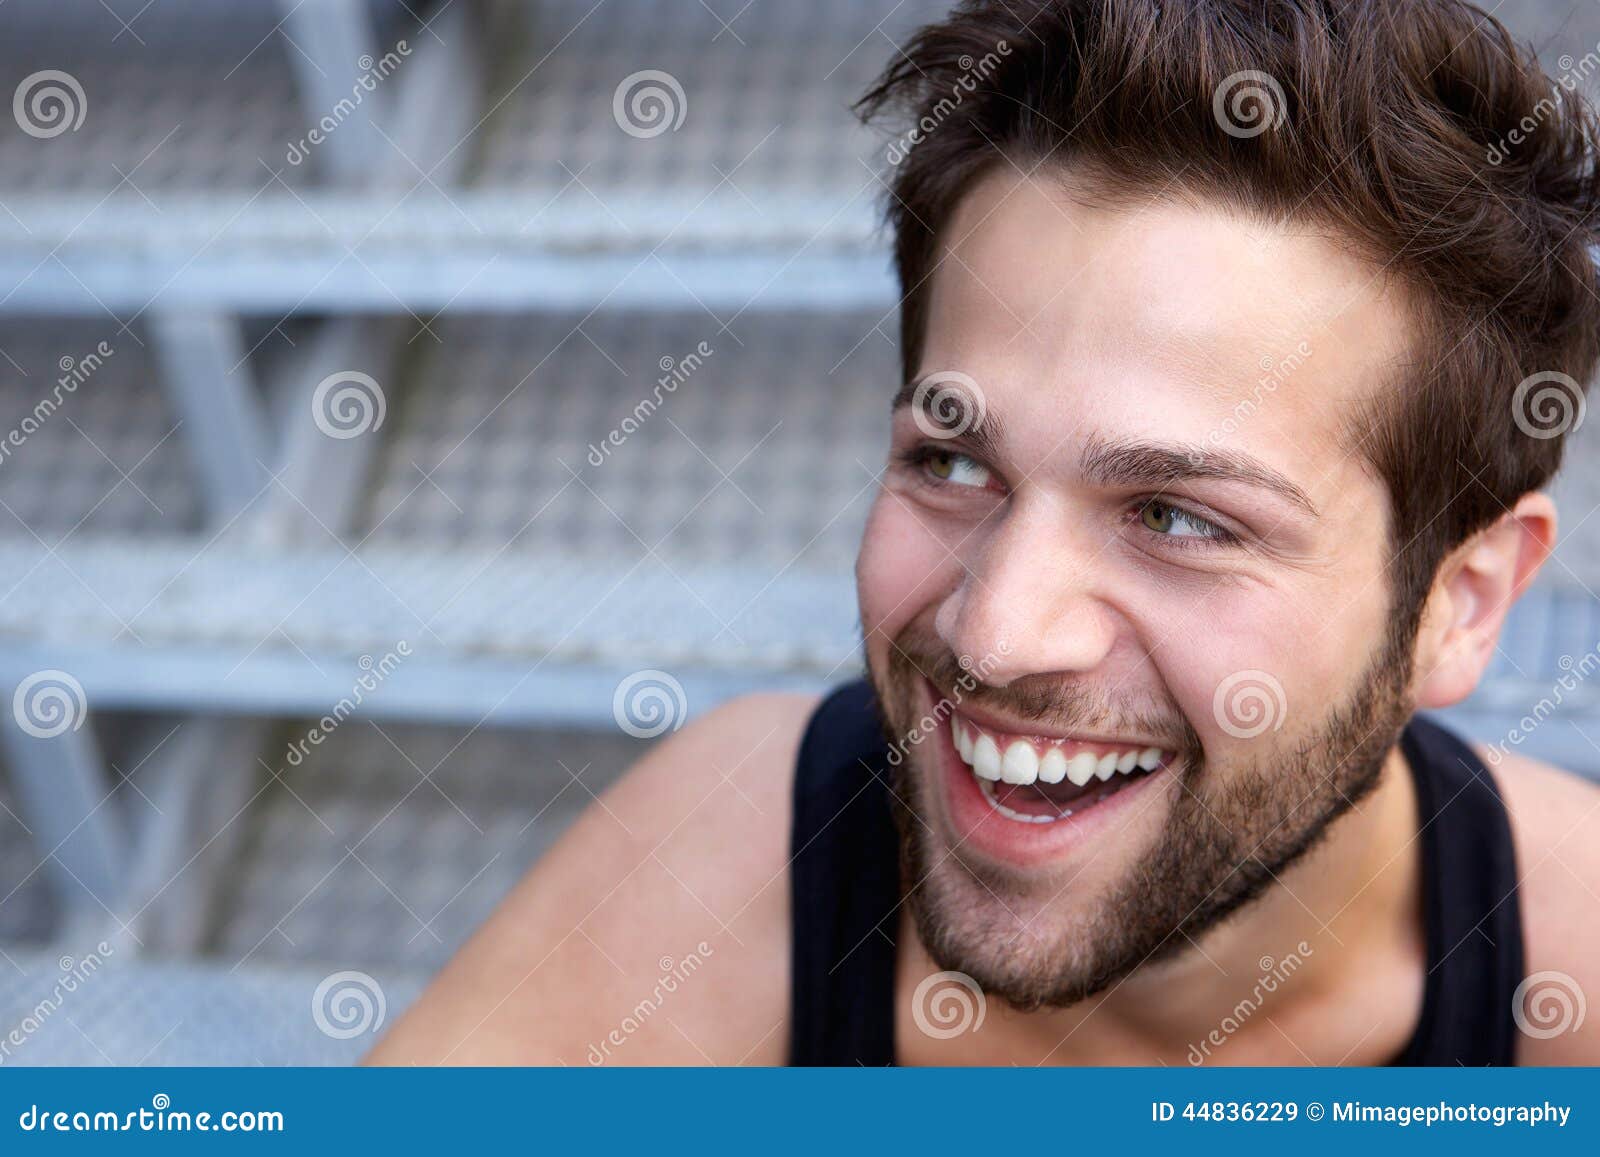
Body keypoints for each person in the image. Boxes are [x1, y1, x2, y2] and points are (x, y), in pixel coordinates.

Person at [369, 0, 1600, 1065]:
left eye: (1178, 517)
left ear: (1462, 602)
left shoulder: (1570, 970)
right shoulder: (731, 861)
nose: (995, 635)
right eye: (952, 464)